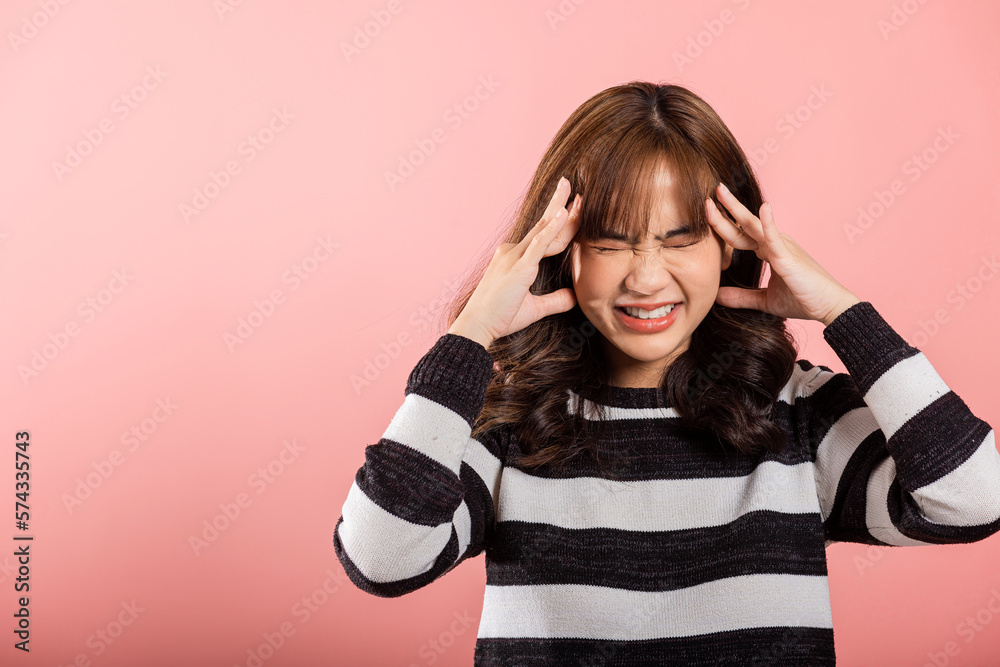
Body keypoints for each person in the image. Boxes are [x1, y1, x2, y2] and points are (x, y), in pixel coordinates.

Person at [333, 81, 1000, 665]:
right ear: (560, 251)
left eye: (681, 239)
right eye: (611, 240)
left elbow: (974, 497)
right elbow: (380, 557)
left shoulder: (798, 412)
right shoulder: (504, 421)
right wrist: (471, 335)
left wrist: (843, 311)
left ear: (733, 246)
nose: (647, 277)